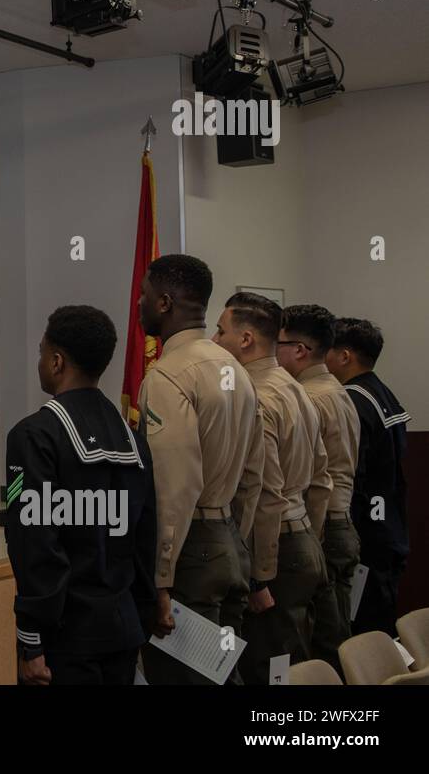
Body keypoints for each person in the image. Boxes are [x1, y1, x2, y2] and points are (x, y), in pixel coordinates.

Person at [6, 306, 157, 685]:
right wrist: (141, 617)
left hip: (67, 635)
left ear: (57, 362)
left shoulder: (33, 436)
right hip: (122, 627)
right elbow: (144, 538)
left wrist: (31, 639)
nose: (39, 361)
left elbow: (35, 544)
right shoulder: (133, 438)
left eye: (42, 352)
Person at [135, 255, 259, 685]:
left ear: (165, 303)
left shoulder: (170, 375)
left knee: (184, 679)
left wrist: (161, 581)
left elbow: (174, 487)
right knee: (223, 677)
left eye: (145, 295)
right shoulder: (235, 370)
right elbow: (254, 477)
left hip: (190, 551)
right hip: (228, 543)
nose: (139, 303)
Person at [212, 293, 327, 683]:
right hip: (299, 537)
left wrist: (260, 574)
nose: (215, 340)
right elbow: (321, 475)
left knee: (270, 667)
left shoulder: (259, 395)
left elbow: (264, 492)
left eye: (221, 330)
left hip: (275, 546)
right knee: (290, 660)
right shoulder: (294, 387)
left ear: (245, 339)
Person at [278, 304, 360, 670]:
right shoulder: (338, 390)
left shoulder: (309, 397)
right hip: (343, 521)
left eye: (278, 343)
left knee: (318, 642)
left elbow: (314, 479)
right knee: (337, 634)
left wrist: (308, 536)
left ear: (299, 349)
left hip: (323, 524)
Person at [327, 318, 410, 637]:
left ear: (345, 356)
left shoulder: (352, 400)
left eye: (328, 351)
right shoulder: (380, 391)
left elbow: (353, 476)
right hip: (389, 530)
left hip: (368, 536)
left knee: (363, 633)